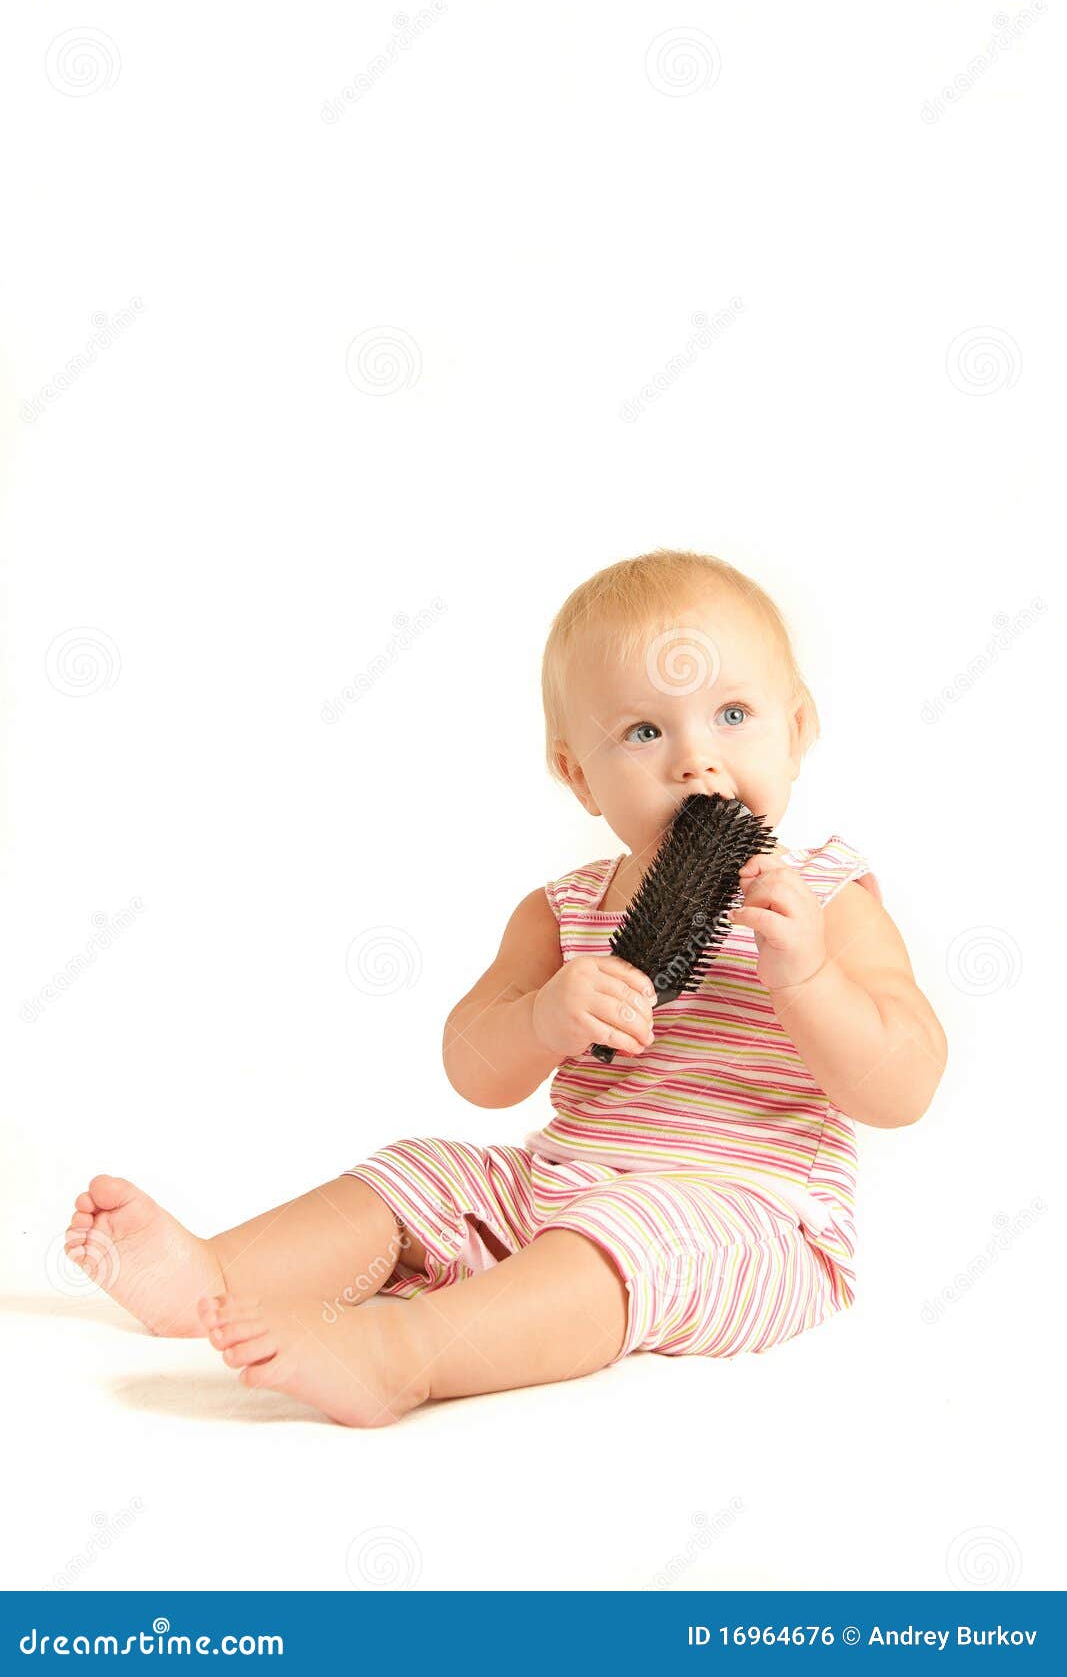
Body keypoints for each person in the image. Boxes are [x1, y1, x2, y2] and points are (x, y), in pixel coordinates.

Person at [64, 548, 948, 1427]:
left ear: (797, 731)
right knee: (421, 1170)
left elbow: (902, 1088)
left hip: (751, 1217)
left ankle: (402, 1356)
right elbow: (474, 1069)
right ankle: (211, 1280)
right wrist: (541, 1017)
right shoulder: (562, 913)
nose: (694, 760)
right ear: (576, 775)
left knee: (630, 1235)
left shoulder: (828, 903)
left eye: (732, 714)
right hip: (558, 1182)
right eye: (644, 732)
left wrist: (810, 978)